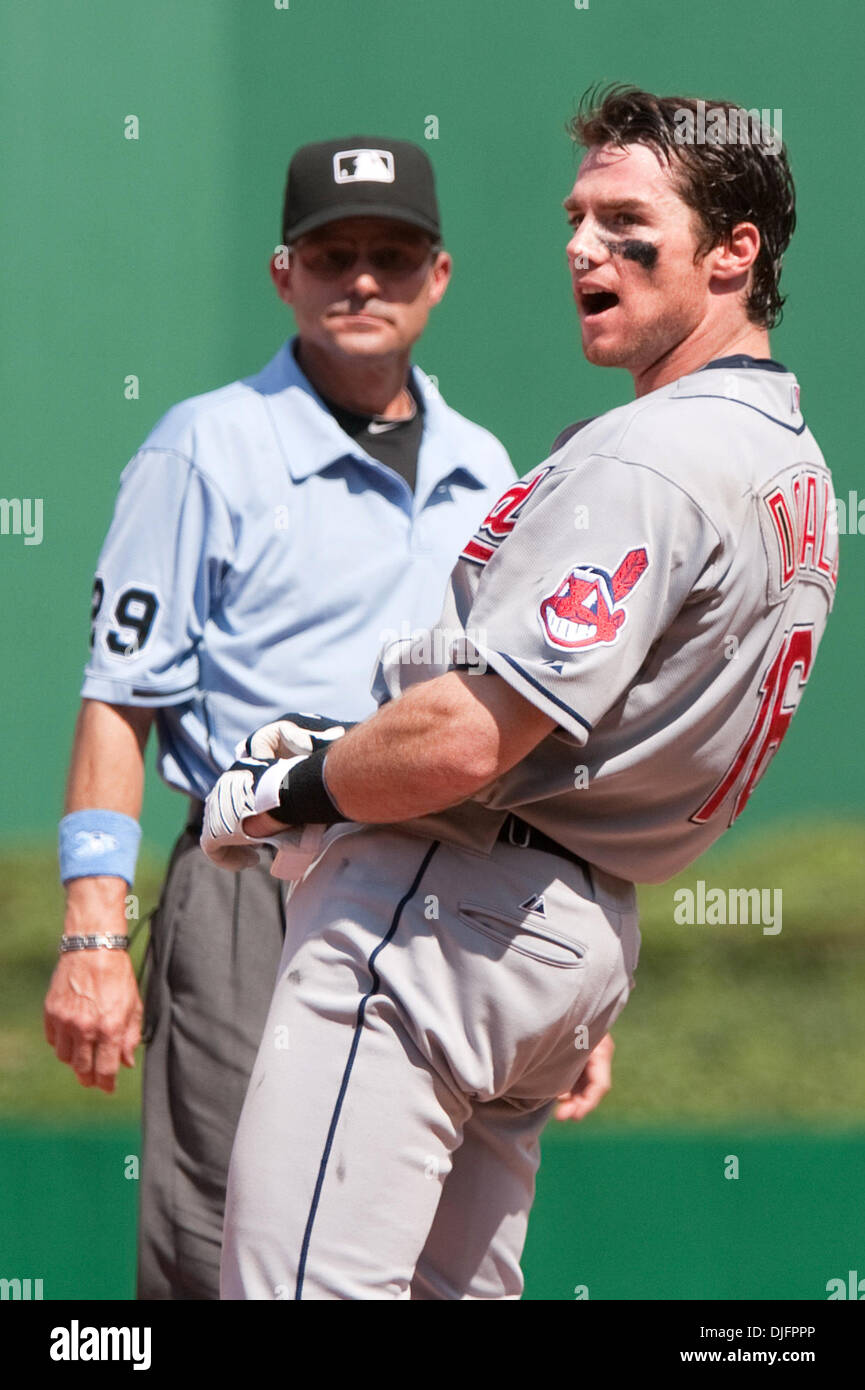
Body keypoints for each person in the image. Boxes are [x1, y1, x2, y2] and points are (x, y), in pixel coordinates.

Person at [203, 86, 838, 1301]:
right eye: (575, 215)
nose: (580, 245)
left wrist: (290, 784)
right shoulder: (793, 468)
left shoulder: (652, 452)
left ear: (733, 252)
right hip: (572, 933)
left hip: (447, 903)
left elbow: (469, 735)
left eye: (624, 218)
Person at [42, 135, 523, 1302]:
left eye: (393, 255)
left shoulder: (486, 465)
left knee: (424, 1234)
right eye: (332, 253)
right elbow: (121, 700)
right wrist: (93, 932)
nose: (362, 279)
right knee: (226, 1231)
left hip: (445, 884)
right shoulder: (205, 444)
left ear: (440, 276)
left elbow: (510, 729)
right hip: (252, 873)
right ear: (283, 274)